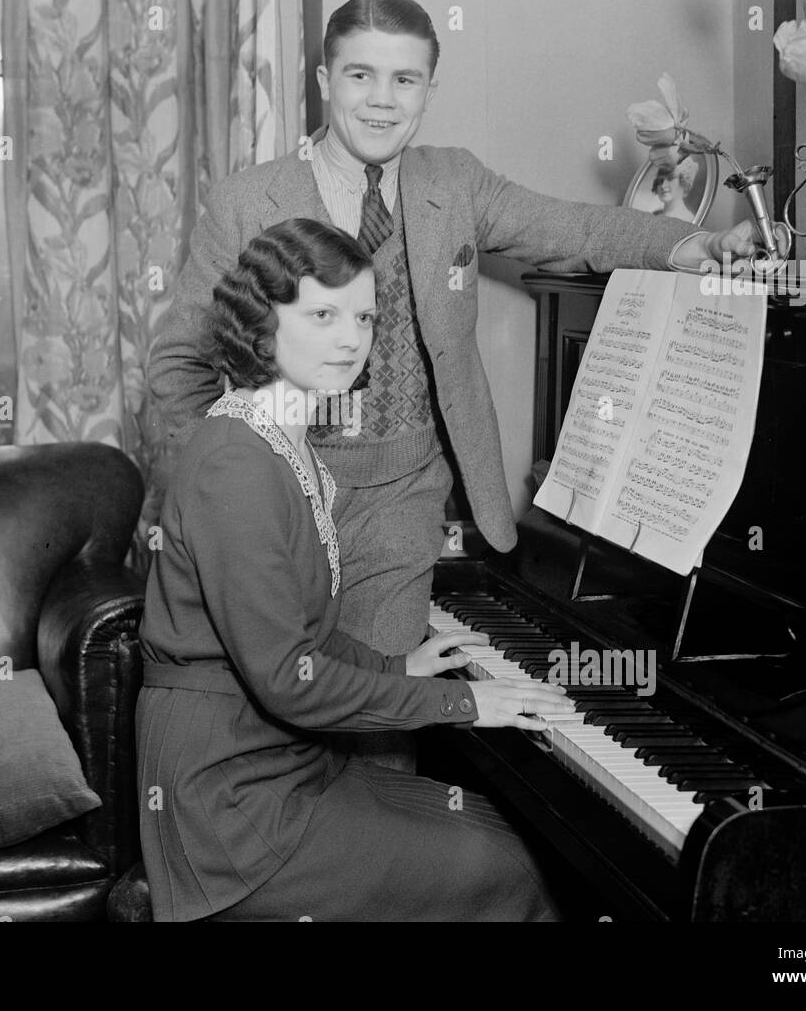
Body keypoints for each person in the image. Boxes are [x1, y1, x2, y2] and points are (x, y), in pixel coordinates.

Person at [149, 0, 759, 767]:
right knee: (286, 713)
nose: (382, 100)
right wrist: (218, 492)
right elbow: (178, 365)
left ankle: (396, 857)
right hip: (289, 490)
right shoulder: (246, 201)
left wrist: (687, 247)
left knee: (379, 727)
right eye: (360, 75)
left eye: (406, 81)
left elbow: (573, 228)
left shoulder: (455, 182)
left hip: (405, 493)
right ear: (322, 80)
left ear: (430, 89)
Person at [136, 217, 572, 922]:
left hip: (279, 758)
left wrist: (398, 668)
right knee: (496, 865)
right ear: (261, 320)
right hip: (226, 801)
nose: (350, 337)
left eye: (364, 315)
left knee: (493, 827)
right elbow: (286, 676)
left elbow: (301, 626)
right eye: (322, 314)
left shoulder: (285, 439)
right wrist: (465, 704)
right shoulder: (234, 465)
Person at [651, 155, 699, 222]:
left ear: (683, 182)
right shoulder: (655, 215)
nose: (663, 185)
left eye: (670, 179)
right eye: (660, 180)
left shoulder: (687, 220)